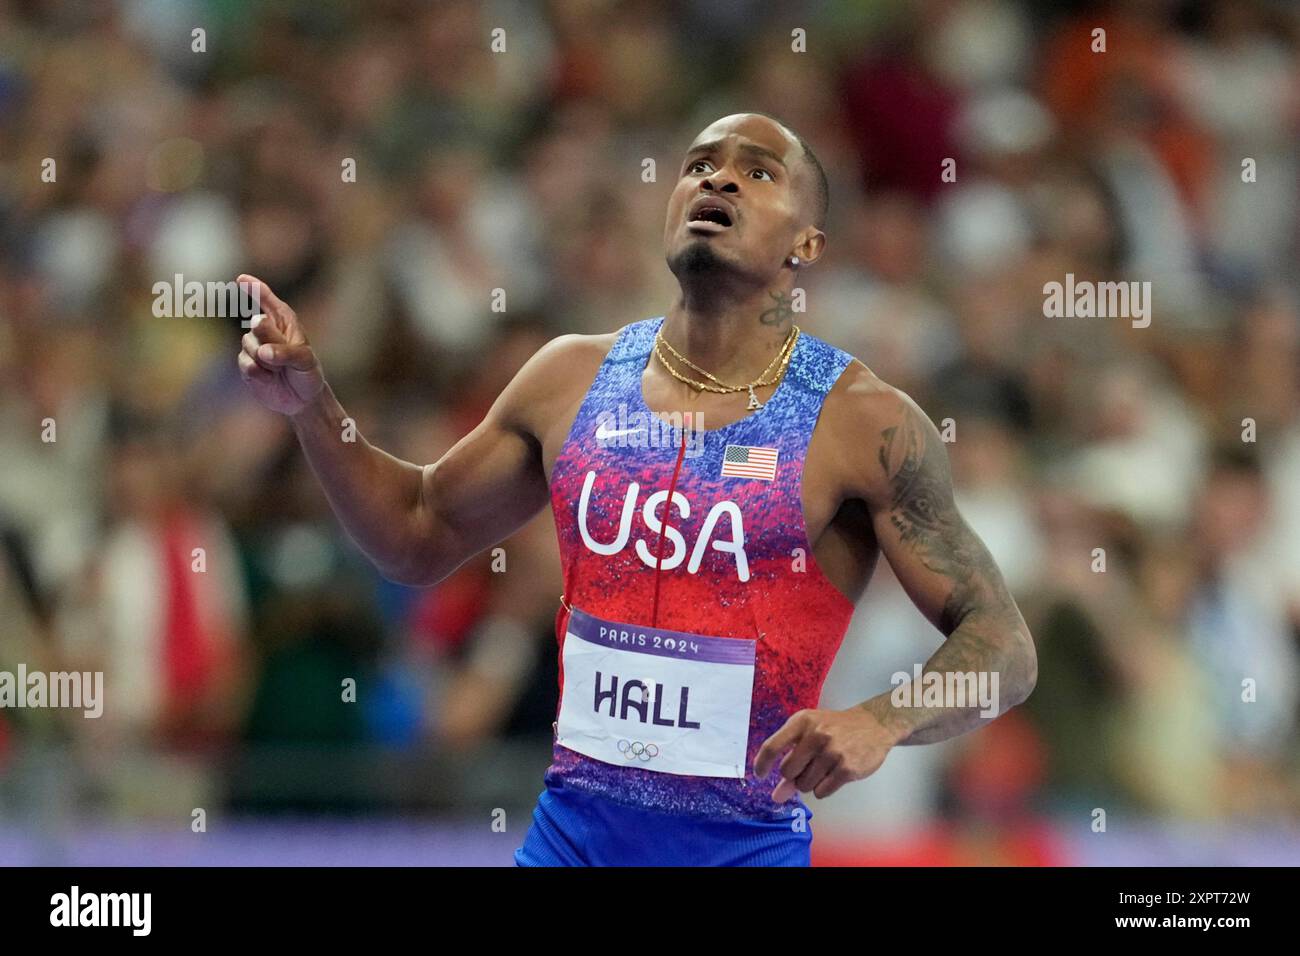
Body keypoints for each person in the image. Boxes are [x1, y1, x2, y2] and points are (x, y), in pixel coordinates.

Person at [235, 112, 1037, 866]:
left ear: (809, 242)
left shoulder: (861, 424)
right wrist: (314, 408)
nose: (716, 183)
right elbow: (412, 534)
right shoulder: (568, 380)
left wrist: (879, 720)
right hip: (570, 842)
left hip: (741, 853)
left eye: (756, 174)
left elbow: (1003, 645)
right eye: (699, 167)